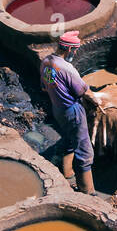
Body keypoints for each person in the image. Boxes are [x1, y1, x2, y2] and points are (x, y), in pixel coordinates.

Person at [40, 32, 97, 193]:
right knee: (85, 150)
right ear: (70, 49)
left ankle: (67, 171)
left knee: (70, 139)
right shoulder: (66, 68)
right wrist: (98, 101)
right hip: (72, 110)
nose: (75, 53)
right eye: (75, 50)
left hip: (57, 108)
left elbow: (45, 87)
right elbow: (83, 91)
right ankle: (87, 191)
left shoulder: (46, 62)